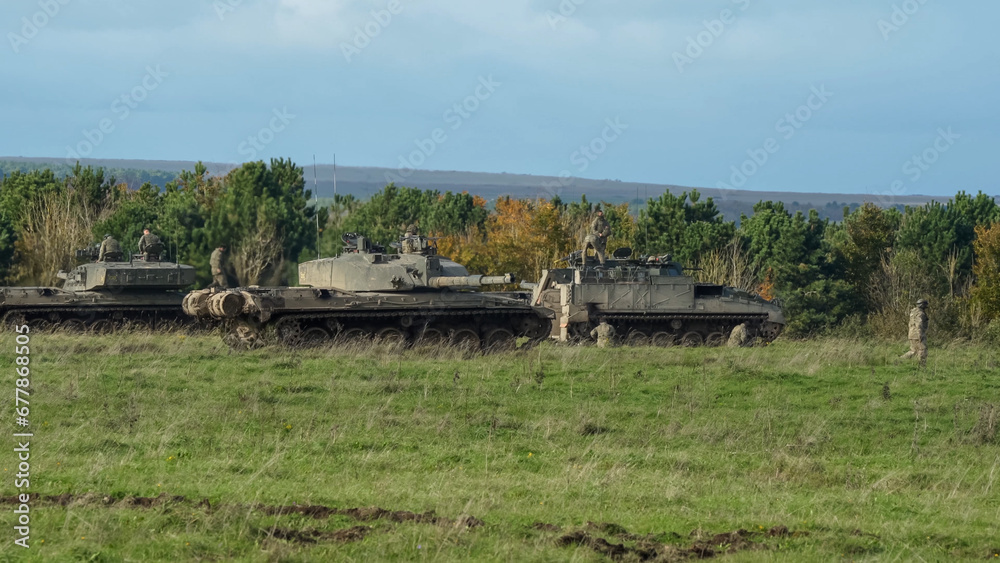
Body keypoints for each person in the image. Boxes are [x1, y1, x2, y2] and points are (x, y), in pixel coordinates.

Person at [901, 299, 929, 366]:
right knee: (922, 350)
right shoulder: (920, 313)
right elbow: (919, 324)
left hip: (911, 333)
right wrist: (920, 334)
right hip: (917, 334)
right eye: (925, 305)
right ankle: (922, 365)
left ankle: (901, 359)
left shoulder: (913, 312)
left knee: (913, 351)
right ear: (922, 305)